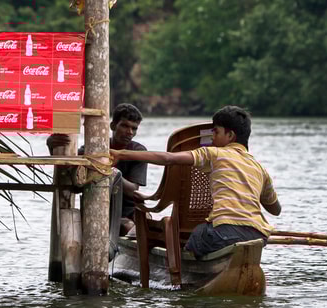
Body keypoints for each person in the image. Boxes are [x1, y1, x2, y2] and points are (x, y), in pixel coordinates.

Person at [110, 106, 281, 258]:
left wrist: (120, 154)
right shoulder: (260, 168)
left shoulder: (213, 153)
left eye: (215, 132)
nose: (212, 137)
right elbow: (275, 210)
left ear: (230, 135)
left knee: (197, 235)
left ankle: (188, 275)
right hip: (259, 234)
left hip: (225, 231)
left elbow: (168, 158)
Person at [46, 103, 148, 236]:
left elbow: (132, 189)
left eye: (134, 128)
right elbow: (67, 163)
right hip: (99, 209)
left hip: (130, 210)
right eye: (124, 126)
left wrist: (107, 169)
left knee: (146, 223)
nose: (129, 132)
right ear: (112, 126)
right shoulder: (95, 149)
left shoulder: (138, 151)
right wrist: (52, 145)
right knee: (127, 226)